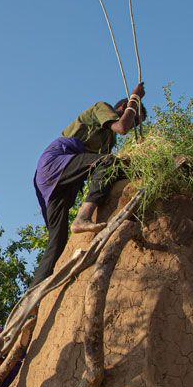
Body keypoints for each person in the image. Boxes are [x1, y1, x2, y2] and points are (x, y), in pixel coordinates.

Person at [30, 86, 146, 285]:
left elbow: (107, 173)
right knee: (108, 161)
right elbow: (122, 128)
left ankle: (33, 295)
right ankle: (82, 217)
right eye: (135, 118)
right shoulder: (102, 107)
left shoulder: (108, 141)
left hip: (64, 179)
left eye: (137, 123)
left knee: (57, 242)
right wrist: (135, 97)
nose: (133, 125)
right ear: (123, 107)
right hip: (57, 162)